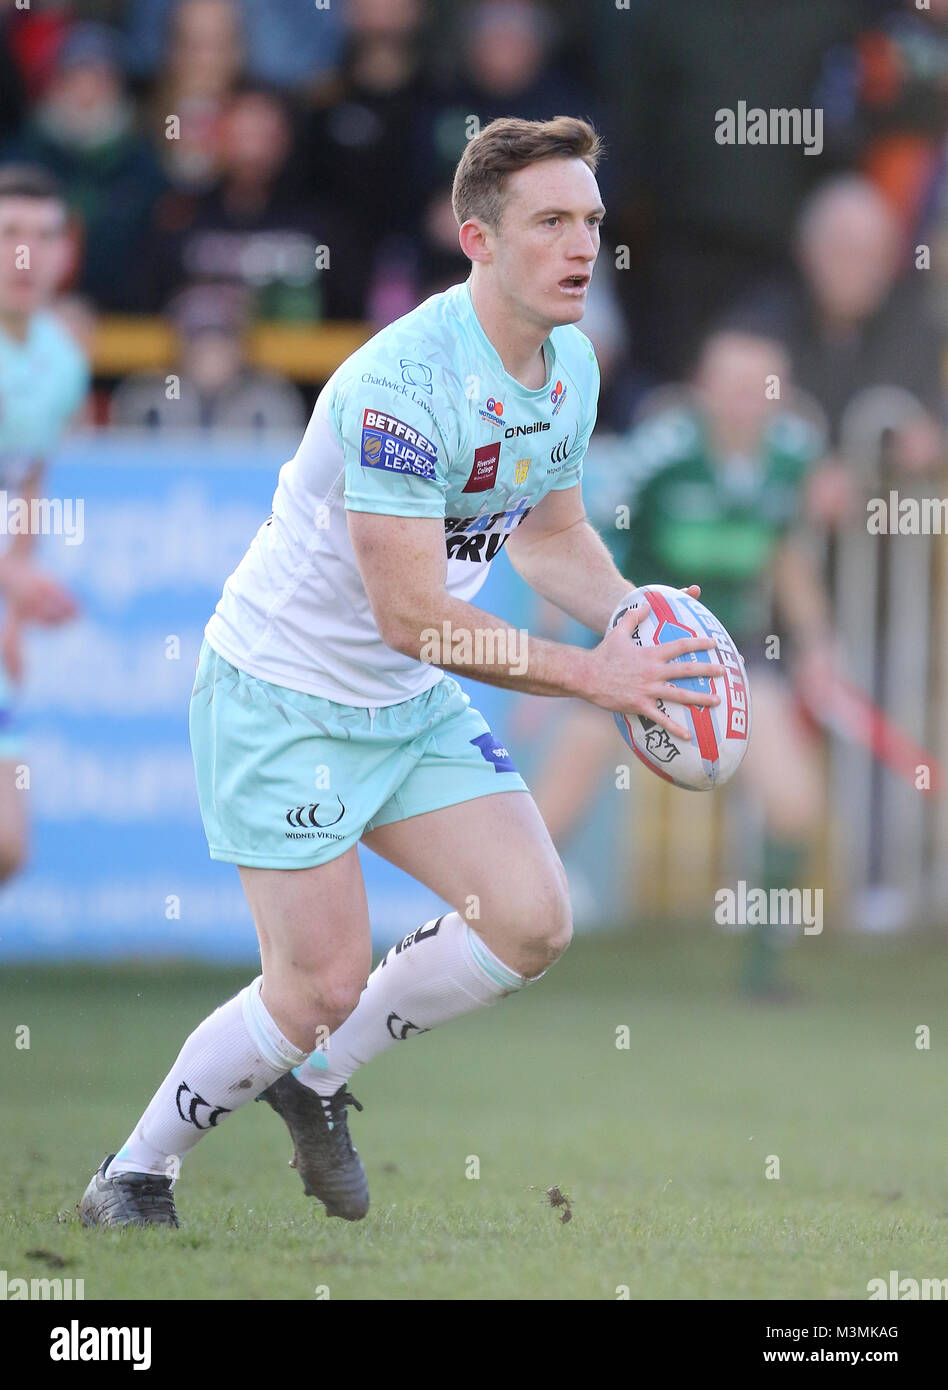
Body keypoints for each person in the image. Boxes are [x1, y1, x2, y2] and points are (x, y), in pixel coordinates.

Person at [78, 116, 724, 1229]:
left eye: (593, 223)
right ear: (477, 237)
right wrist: (592, 675)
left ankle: (315, 1077)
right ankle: (134, 1173)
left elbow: (551, 536)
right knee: (316, 980)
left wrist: (638, 626)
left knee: (530, 919)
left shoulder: (569, 363)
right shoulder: (400, 388)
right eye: (552, 223)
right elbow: (416, 615)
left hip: (401, 698)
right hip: (283, 694)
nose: (583, 247)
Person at [530, 328, 833, 997]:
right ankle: (494, 948)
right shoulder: (659, 454)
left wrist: (815, 650)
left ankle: (762, 973)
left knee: (793, 803)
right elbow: (574, 543)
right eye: (732, 386)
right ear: (703, 387)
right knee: (556, 807)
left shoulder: (793, 456)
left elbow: (785, 558)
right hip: (630, 648)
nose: (747, 402)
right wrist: (554, 659)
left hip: (734, 652)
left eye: (763, 389)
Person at [0, 164, 87, 881]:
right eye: (8, 236)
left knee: (7, 845)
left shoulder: (60, 360)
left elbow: (27, 478)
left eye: (42, 236)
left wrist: (11, 607)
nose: (25, 255)